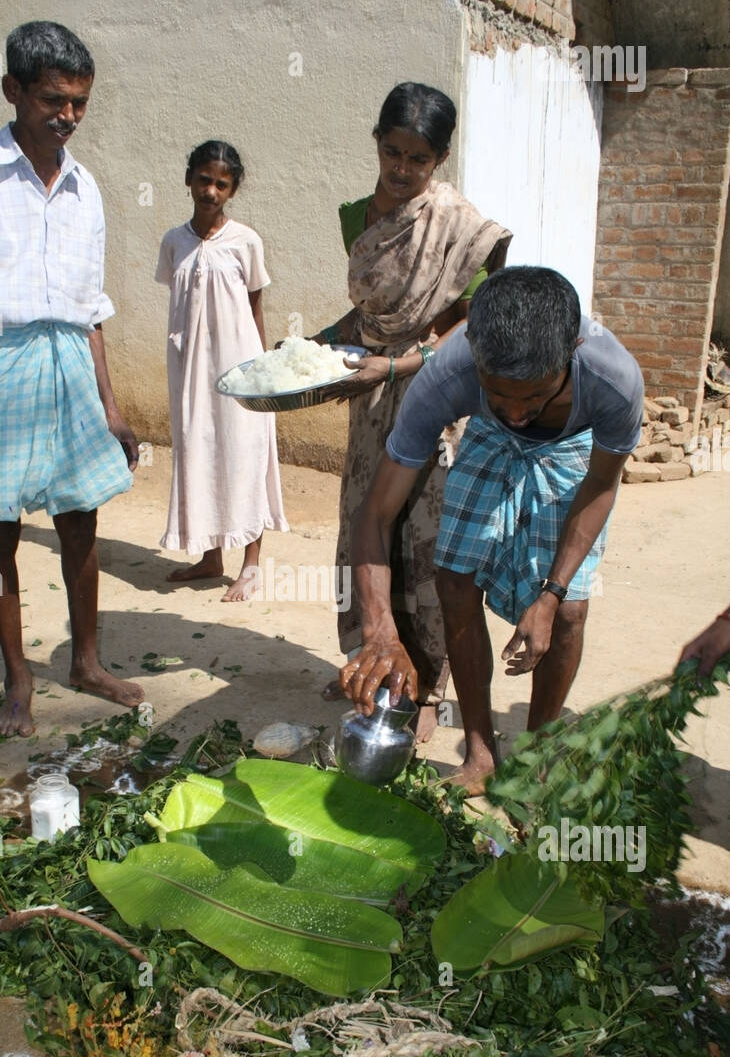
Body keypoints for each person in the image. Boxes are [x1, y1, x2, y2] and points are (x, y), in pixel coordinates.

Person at [0, 21, 141, 738]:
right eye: (53, 100)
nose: (68, 116)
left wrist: (111, 407)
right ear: (13, 90)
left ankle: (87, 661)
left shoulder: (86, 188)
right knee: (0, 533)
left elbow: (91, 313)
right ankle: (17, 680)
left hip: (70, 364)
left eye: (79, 102)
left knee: (81, 520)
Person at [340, 266, 644, 793]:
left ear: (570, 351)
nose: (518, 412)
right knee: (454, 579)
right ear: (476, 360)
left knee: (570, 610)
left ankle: (536, 756)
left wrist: (548, 595)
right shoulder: (446, 376)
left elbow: (600, 486)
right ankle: (481, 754)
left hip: (574, 451)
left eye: (534, 396)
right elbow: (375, 512)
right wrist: (380, 630)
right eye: (500, 396)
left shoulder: (614, 382)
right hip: (487, 443)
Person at [311, 82, 511, 739]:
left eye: (417, 159)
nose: (401, 170)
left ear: (440, 159)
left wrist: (400, 364)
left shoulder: (458, 229)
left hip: (434, 395)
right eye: (391, 152)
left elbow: (470, 327)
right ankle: (366, 657)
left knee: (424, 540)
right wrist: (314, 347)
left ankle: (425, 687)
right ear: (376, 141)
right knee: (362, 529)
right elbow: (372, 319)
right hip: (369, 403)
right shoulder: (357, 218)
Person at [156, 141, 288, 601]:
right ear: (189, 178)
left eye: (221, 184)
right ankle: (211, 556)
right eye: (204, 180)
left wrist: (263, 369)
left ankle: (250, 564)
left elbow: (254, 307)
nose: (210, 191)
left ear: (232, 190)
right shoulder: (174, 241)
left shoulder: (245, 241)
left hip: (240, 365)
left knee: (245, 451)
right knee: (199, 448)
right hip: (191, 367)